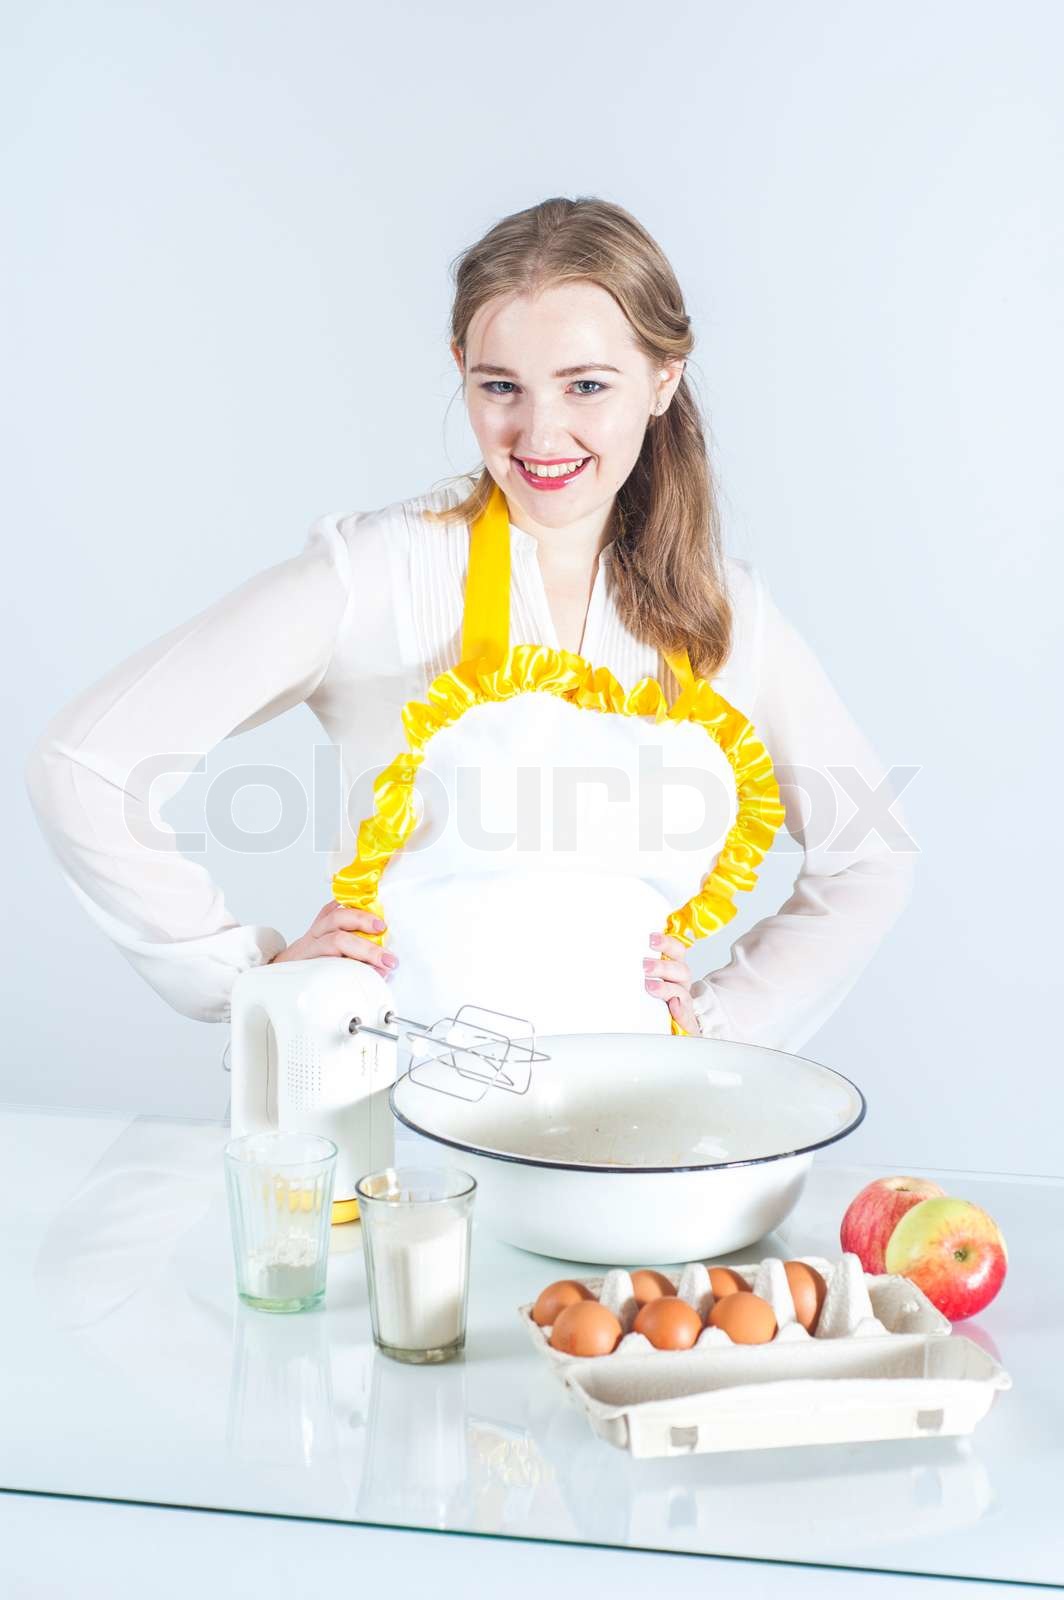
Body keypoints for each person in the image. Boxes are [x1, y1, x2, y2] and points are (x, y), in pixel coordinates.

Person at [25, 196, 914, 1056]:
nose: (540, 432)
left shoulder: (726, 612)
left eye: (587, 385)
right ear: (461, 368)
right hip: (405, 1138)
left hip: (640, 1136)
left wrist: (721, 1025)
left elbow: (868, 856)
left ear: (663, 377)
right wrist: (247, 979)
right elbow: (83, 768)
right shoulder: (376, 573)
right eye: (501, 386)